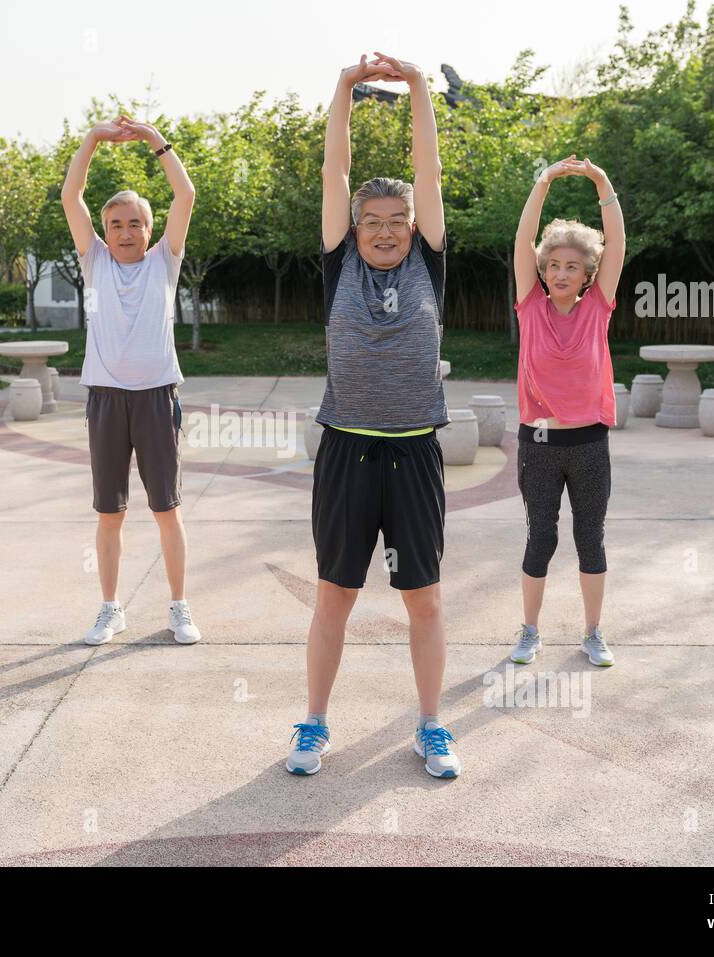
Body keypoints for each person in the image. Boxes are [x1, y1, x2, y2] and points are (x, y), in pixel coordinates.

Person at [286, 54, 457, 779]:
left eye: (398, 221)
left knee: (423, 599)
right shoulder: (339, 268)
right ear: (353, 230)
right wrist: (343, 92)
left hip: (415, 453)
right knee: (336, 596)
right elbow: (334, 173)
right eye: (372, 222)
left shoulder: (430, 264)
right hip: (347, 453)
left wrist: (419, 87)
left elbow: (429, 172)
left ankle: (431, 725)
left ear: (414, 227)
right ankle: (314, 724)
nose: (385, 231)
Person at [60, 114, 202, 647]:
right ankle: (110, 608)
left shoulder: (164, 261)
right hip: (105, 400)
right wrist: (93, 139)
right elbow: (71, 195)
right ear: (104, 231)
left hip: (156, 399)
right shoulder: (94, 259)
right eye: (115, 224)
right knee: (109, 513)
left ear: (149, 230)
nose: (124, 232)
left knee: (167, 509)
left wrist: (152, 139)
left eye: (134, 224)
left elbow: (184, 194)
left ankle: (179, 607)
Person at [507, 154, 626, 669]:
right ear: (542, 268)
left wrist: (602, 182)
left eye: (571, 266)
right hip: (538, 444)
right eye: (553, 264)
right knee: (541, 536)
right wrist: (544, 181)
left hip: (589, 442)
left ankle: (593, 632)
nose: (560, 272)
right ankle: (529, 632)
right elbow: (522, 239)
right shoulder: (529, 303)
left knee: (589, 537)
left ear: (586, 275)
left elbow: (616, 242)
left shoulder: (598, 305)